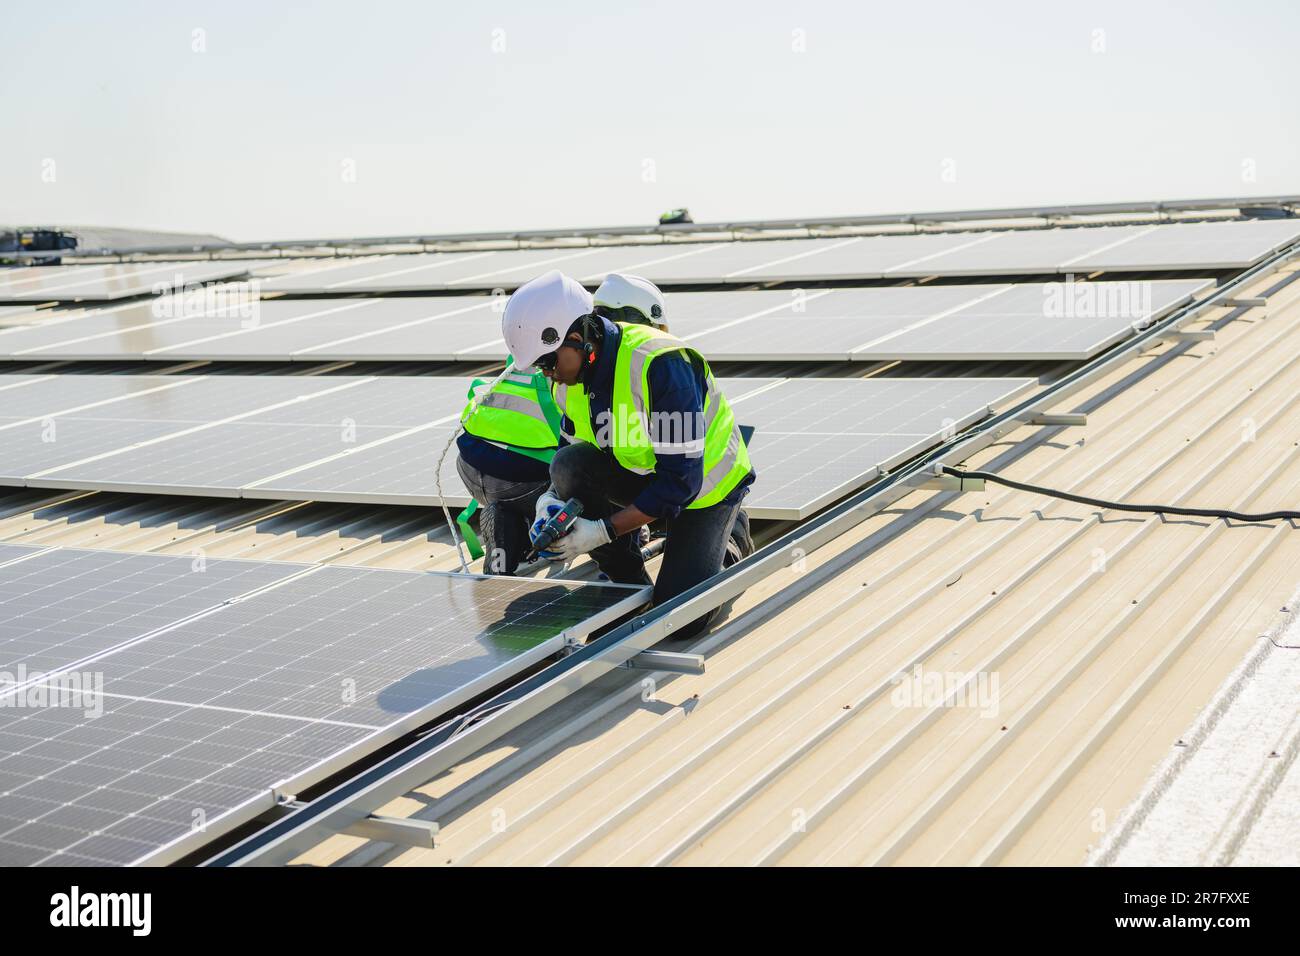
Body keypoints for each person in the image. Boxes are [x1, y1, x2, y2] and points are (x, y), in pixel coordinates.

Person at [503, 269, 756, 640]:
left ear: (577, 338)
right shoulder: (569, 381)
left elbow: (679, 484)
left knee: (682, 620)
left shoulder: (660, 365)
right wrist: (550, 502)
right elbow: (570, 457)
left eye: (548, 363)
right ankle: (630, 585)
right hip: (648, 476)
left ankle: (731, 538)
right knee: (568, 468)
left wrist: (601, 531)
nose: (548, 375)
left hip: (705, 489)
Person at [454, 272, 669, 575]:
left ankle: (507, 522)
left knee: (546, 484)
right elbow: (589, 451)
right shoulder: (577, 371)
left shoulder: (538, 345)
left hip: (471, 463)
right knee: (601, 471)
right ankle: (624, 539)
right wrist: (614, 526)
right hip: (524, 475)